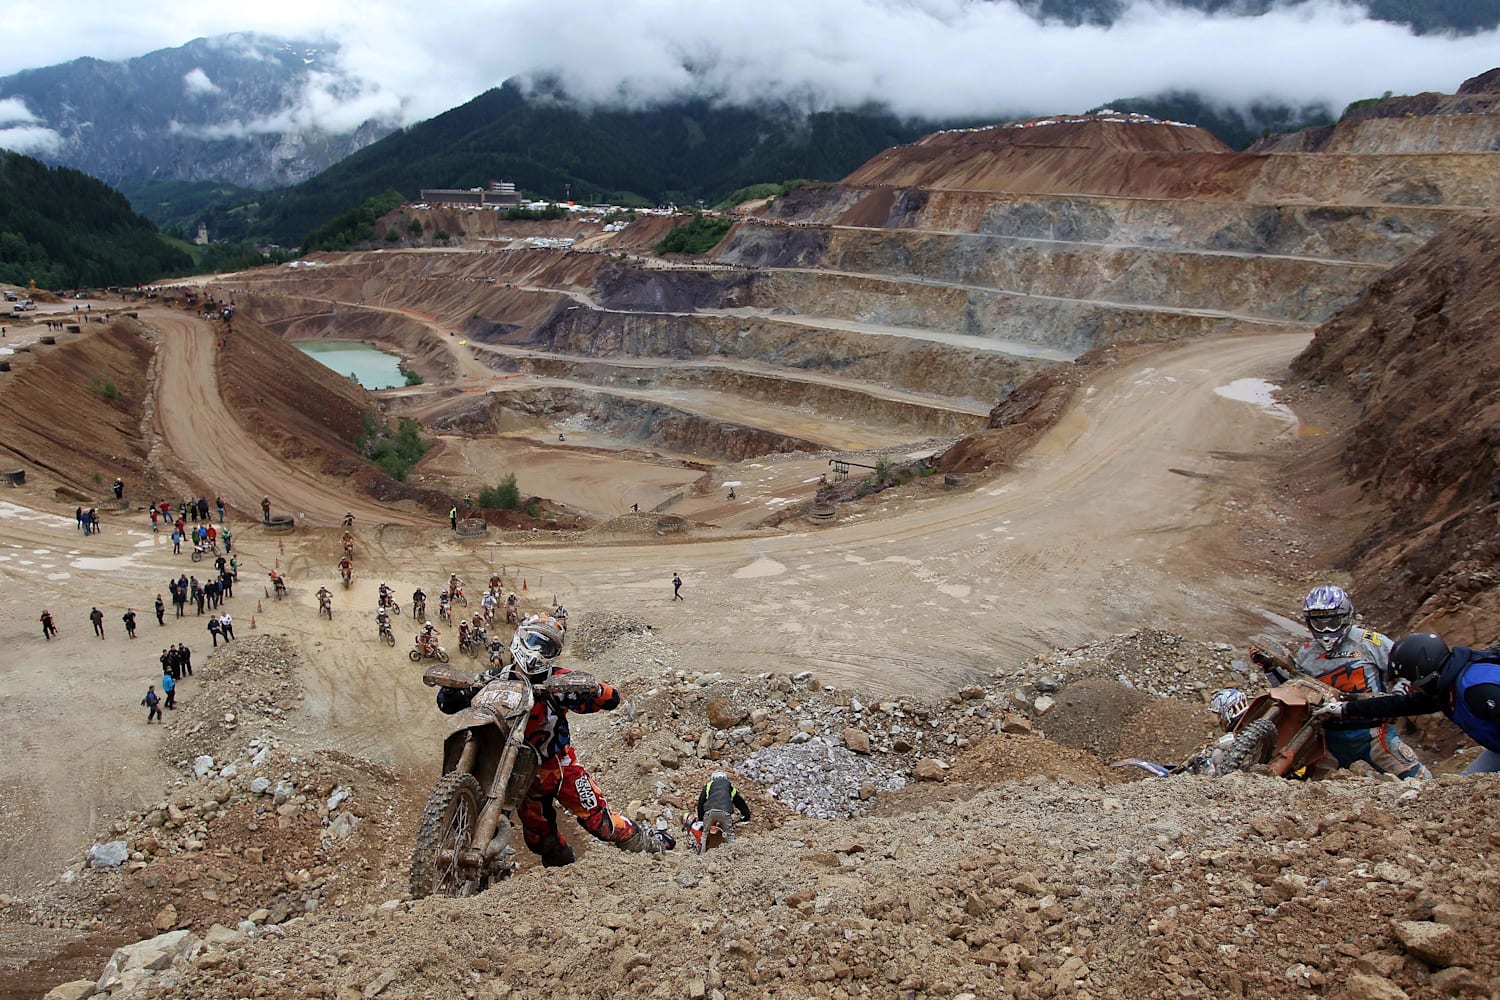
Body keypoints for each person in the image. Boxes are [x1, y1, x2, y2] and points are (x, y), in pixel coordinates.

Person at [435, 613, 674, 865]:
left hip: (557, 767)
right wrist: (452, 690)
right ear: (520, 638)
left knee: (600, 824)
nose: (537, 651)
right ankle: (563, 872)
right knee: (539, 840)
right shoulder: (495, 678)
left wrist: (591, 687)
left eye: (546, 647)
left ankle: (649, 842)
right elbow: (448, 704)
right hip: (513, 768)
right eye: (534, 641)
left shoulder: (556, 682)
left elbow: (611, 699)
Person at [1272, 585, 1427, 779]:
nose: (1326, 629)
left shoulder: (1371, 642)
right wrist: (1271, 670)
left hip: (1374, 732)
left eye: (1333, 621)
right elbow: (1294, 689)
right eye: (1319, 623)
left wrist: (1398, 695)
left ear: (1346, 617)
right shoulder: (1306, 653)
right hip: (1326, 737)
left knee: (1421, 780)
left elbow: (1407, 669)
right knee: (1300, 787)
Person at [1320, 632, 1500, 775]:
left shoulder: (1476, 688)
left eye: (1410, 680)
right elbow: (1400, 704)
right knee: (1463, 789)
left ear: (1423, 675)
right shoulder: (1447, 687)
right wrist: (1344, 709)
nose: (1411, 686)